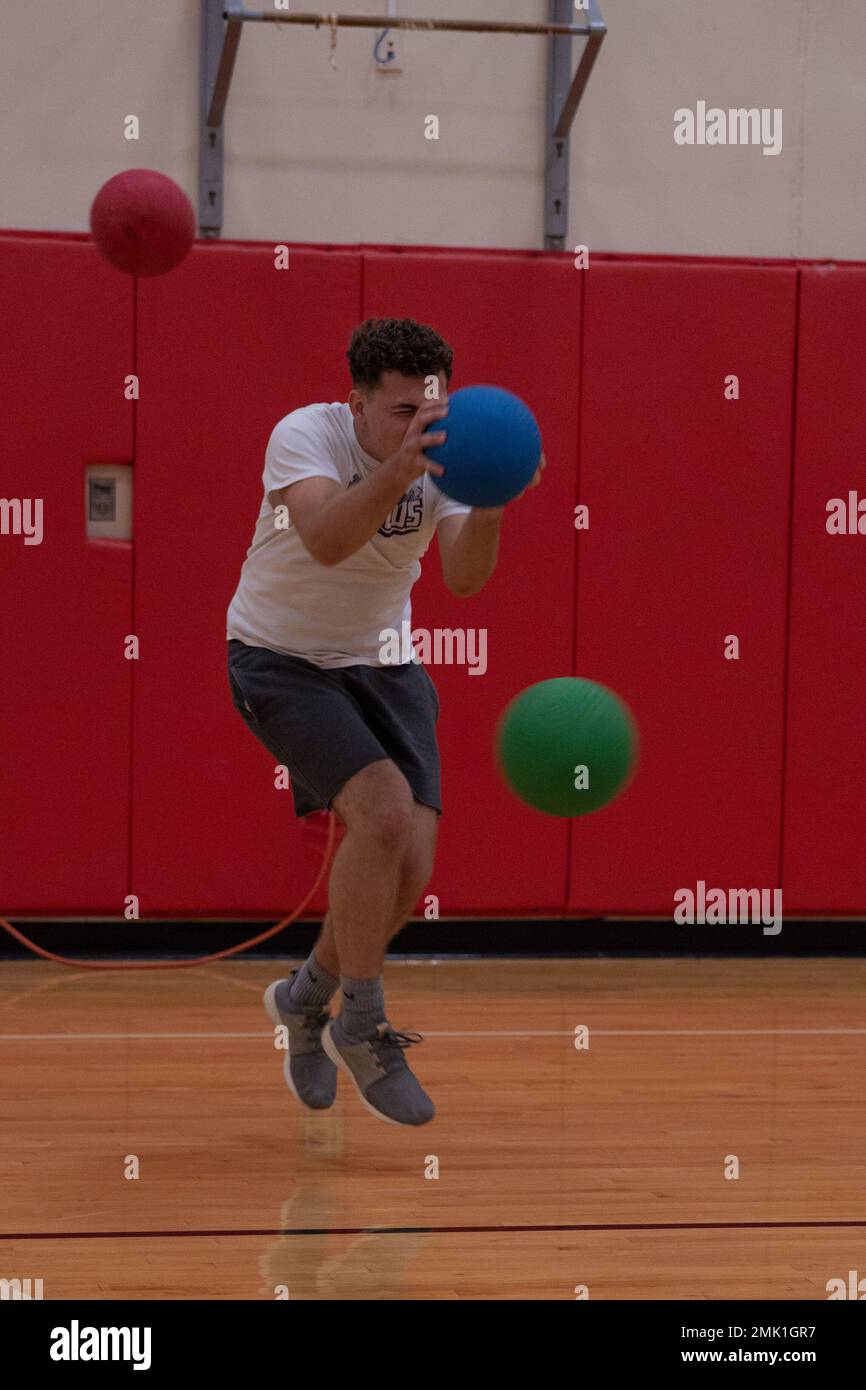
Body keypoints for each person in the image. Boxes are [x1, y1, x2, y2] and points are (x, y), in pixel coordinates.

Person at [226, 317, 543, 1126]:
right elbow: (329, 539)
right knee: (383, 814)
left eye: (428, 408)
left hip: (385, 657)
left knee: (410, 866)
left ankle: (305, 1001)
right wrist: (402, 470)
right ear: (358, 403)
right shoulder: (307, 435)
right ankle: (361, 1026)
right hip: (281, 657)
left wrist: (496, 501)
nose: (420, 426)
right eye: (401, 411)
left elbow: (465, 579)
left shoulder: (451, 448)